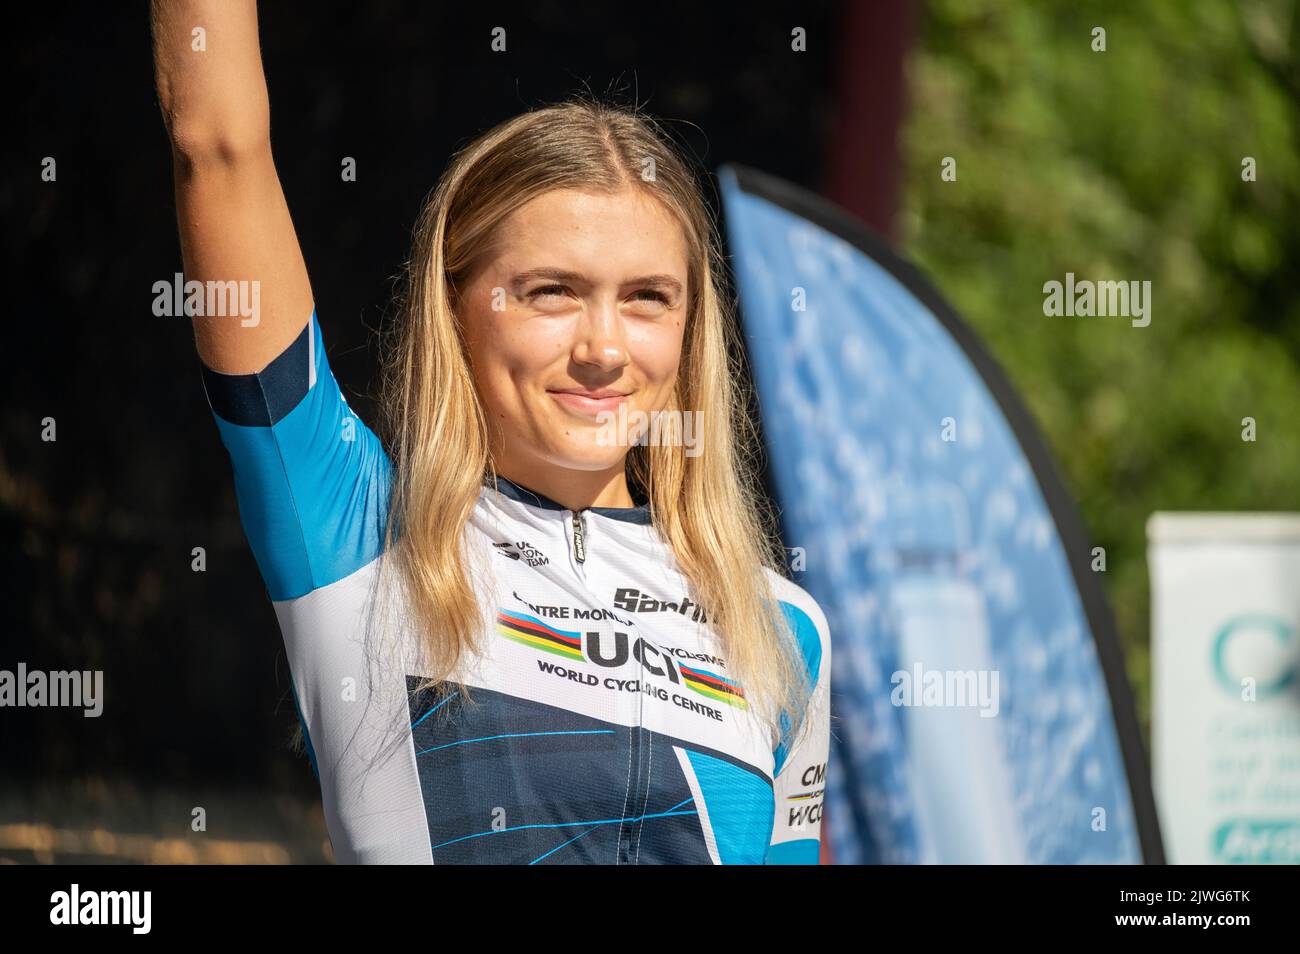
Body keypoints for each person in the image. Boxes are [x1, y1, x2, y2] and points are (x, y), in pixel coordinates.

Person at [150, 0, 831, 865]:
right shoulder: (357, 532)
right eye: (552, 291)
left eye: (647, 298)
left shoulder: (782, 627)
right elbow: (216, 147)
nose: (604, 349)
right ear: (457, 311)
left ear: (693, 331)